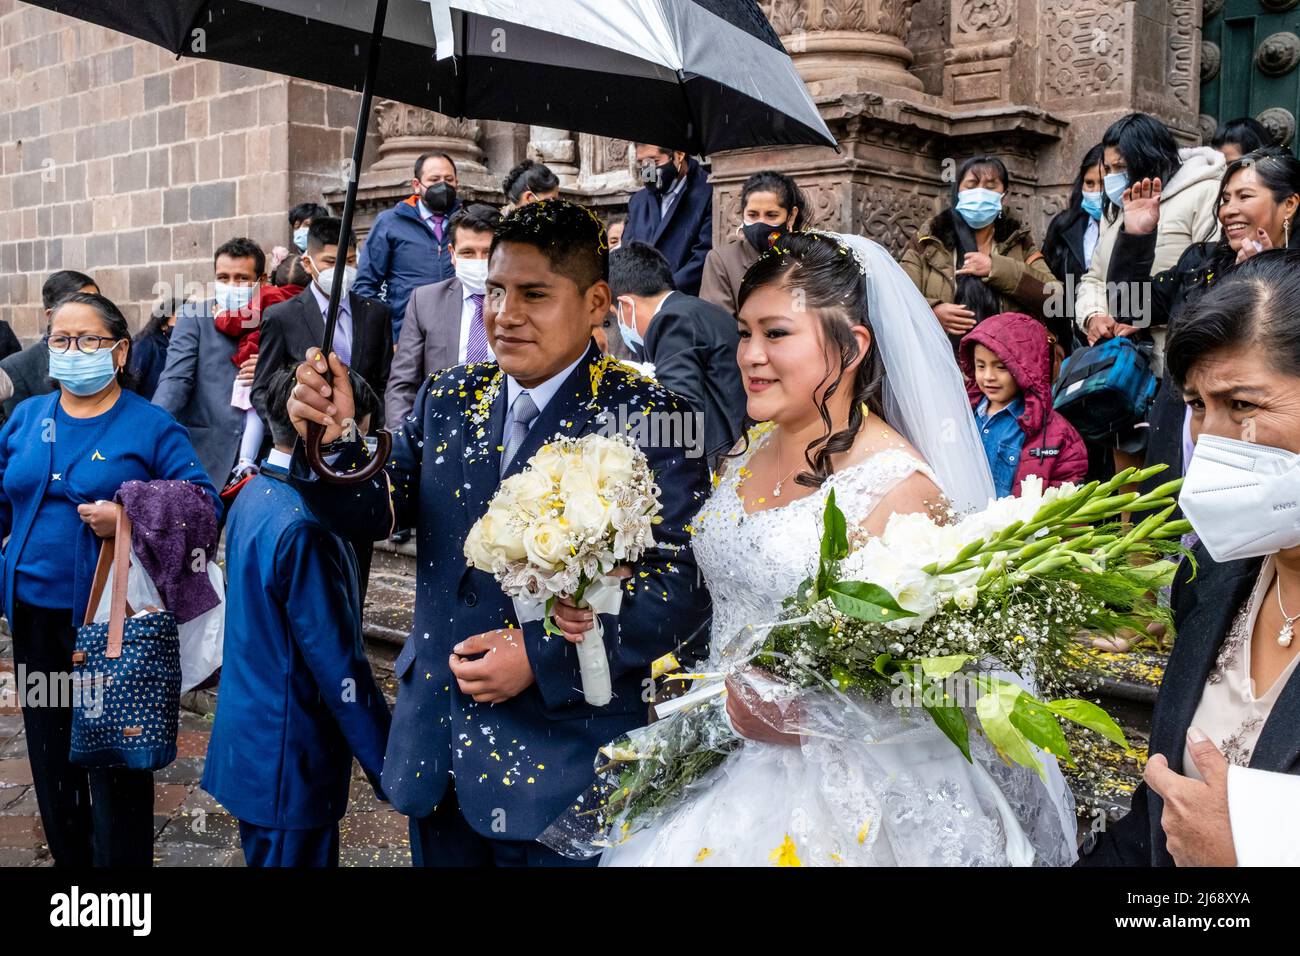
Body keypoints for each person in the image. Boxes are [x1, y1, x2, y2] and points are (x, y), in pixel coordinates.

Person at [593, 232, 1076, 866]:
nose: (750, 357)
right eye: (744, 333)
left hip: (839, 795)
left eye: (777, 334)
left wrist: (811, 720)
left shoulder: (899, 490)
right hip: (718, 755)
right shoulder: (746, 449)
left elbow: (945, 685)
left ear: (852, 346)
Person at [285, 199, 712, 867]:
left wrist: (540, 655)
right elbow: (375, 509)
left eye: (534, 294)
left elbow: (680, 590)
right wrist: (333, 439)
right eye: (495, 291)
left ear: (597, 301)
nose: (504, 315)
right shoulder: (450, 396)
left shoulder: (650, 416)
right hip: (439, 753)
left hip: (562, 765)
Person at [1077, 251, 1300, 867]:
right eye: (1199, 405)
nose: (1213, 439)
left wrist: (1251, 859)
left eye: (1244, 406)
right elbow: (1155, 817)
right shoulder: (1212, 580)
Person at [0, 292, 219, 867]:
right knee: (51, 758)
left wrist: (128, 515)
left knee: (113, 758)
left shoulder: (150, 425)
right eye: (61, 341)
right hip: (33, 619)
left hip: (110, 625)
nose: (73, 351)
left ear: (119, 351)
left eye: (89, 340)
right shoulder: (27, 417)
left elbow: (202, 505)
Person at [202, 365, 390, 868]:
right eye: (355, 439)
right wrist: (387, 763)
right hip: (290, 754)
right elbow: (338, 662)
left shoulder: (257, 493)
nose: (360, 457)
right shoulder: (305, 526)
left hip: (255, 740)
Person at [1106, 147, 1300, 496]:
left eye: (1244, 196)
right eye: (1225, 198)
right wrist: (1136, 238)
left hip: (1255, 447)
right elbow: (1128, 308)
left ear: (1289, 204)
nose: (1229, 209)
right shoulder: (1200, 263)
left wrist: (1258, 274)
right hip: (1178, 433)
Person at [609, 241, 747, 471]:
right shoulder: (696, 309)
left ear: (625, 305)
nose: (619, 325)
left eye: (614, 317)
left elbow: (681, 413)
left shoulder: (671, 320)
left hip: (721, 458)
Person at [253, 217, 392, 435]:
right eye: (330, 262)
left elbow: (385, 381)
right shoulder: (282, 316)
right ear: (308, 264)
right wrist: (293, 434)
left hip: (364, 440)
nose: (341, 270)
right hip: (307, 442)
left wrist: (375, 428)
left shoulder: (375, 314)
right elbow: (263, 389)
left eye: (350, 261)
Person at [899, 156, 1055, 346]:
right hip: (940, 359)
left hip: (1003, 362)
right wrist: (932, 312)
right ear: (958, 192)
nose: (980, 193)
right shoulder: (929, 240)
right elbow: (898, 295)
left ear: (1003, 195)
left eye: (990, 187)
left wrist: (996, 268)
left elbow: (1053, 295)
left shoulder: (1017, 240)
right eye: (972, 185)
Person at [153, 237, 263, 490]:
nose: (232, 285)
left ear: (261, 281)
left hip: (264, 457)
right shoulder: (194, 317)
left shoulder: (278, 316)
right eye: (223, 278)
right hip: (207, 457)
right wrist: (152, 426)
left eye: (242, 278)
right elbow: (176, 379)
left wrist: (268, 372)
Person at [385, 203, 501, 430]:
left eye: (488, 252)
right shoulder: (426, 301)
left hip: (504, 429)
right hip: (440, 430)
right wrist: (401, 443)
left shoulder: (521, 304)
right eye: (468, 252)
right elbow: (403, 384)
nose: (479, 261)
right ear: (452, 254)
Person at [958, 312, 1088, 498]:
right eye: (980, 366)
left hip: (1016, 526)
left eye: (1001, 367)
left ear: (1027, 369)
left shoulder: (1058, 436)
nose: (988, 376)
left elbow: (1067, 507)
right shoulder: (961, 414)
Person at [353, 152, 461, 341]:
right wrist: (388, 336)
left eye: (448, 179)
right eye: (434, 179)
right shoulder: (390, 223)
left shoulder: (466, 222)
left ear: (457, 183)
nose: (443, 185)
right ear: (417, 185)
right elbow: (366, 286)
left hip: (458, 334)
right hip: (407, 336)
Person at [700, 171, 806, 317]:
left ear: (791, 216)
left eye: (771, 215)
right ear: (742, 213)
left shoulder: (806, 256)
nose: (760, 223)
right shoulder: (722, 261)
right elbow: (717, 326)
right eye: (752, 215)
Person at [1, 270, 98, 421]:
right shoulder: (16, 369)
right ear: (50, 315)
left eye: (99, 303)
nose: (94, 312)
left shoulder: (107, 355)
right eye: (82, 304)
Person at [622, 143, 713, 296]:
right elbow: (627, 252)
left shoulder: (708, 192)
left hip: (685, 304)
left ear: (679, 155)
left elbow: (704, 257)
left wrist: (662, 294)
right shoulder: (638, 201)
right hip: (640, 304)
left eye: (654, 162)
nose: (648, 170)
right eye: (642, 164)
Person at [1041, 144, 1106, 352]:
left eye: (1104, 184)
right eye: (1090, 183)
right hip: (1070, 343)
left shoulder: (1131, 227)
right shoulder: (1064, 226)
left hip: (1113, 338)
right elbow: (1048, 280)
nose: (1096, 191)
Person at [129, 295, 186, 401]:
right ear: (163, 324)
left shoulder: (189, 347)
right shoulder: (145, 344)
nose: (186, 325)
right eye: (181, 319)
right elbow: (131, 382)